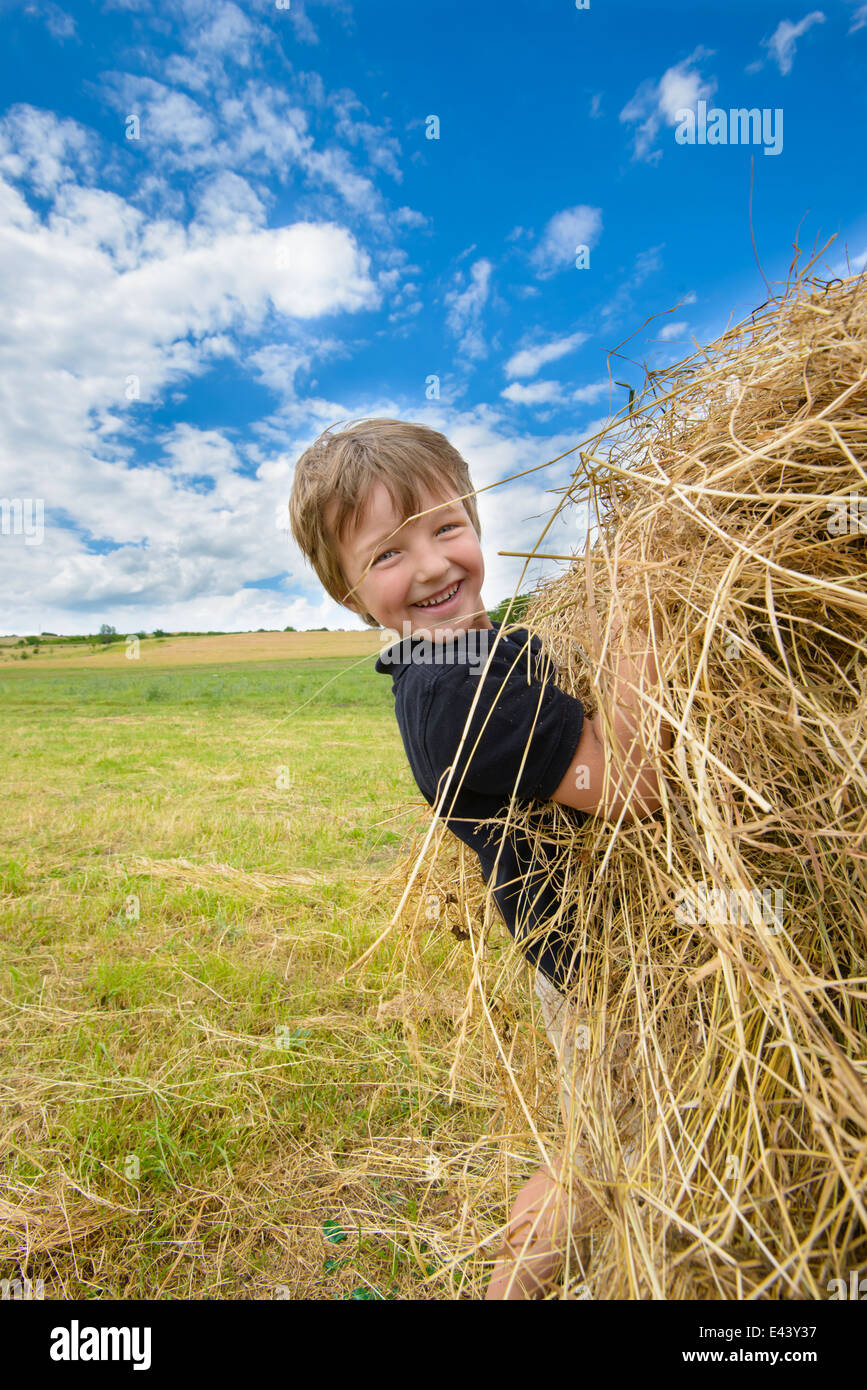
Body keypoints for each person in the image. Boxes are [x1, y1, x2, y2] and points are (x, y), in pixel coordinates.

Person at [289, 417, 671, 1299]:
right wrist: (644, 611)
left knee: (612, 1141)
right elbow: (636, 784)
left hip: (623, 932)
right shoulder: (463, 700)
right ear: (350, 594)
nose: (428, 567)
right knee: (600, 1158)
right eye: (385, 554)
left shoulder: (477, 653)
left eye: (446, 528)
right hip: (605, 962)